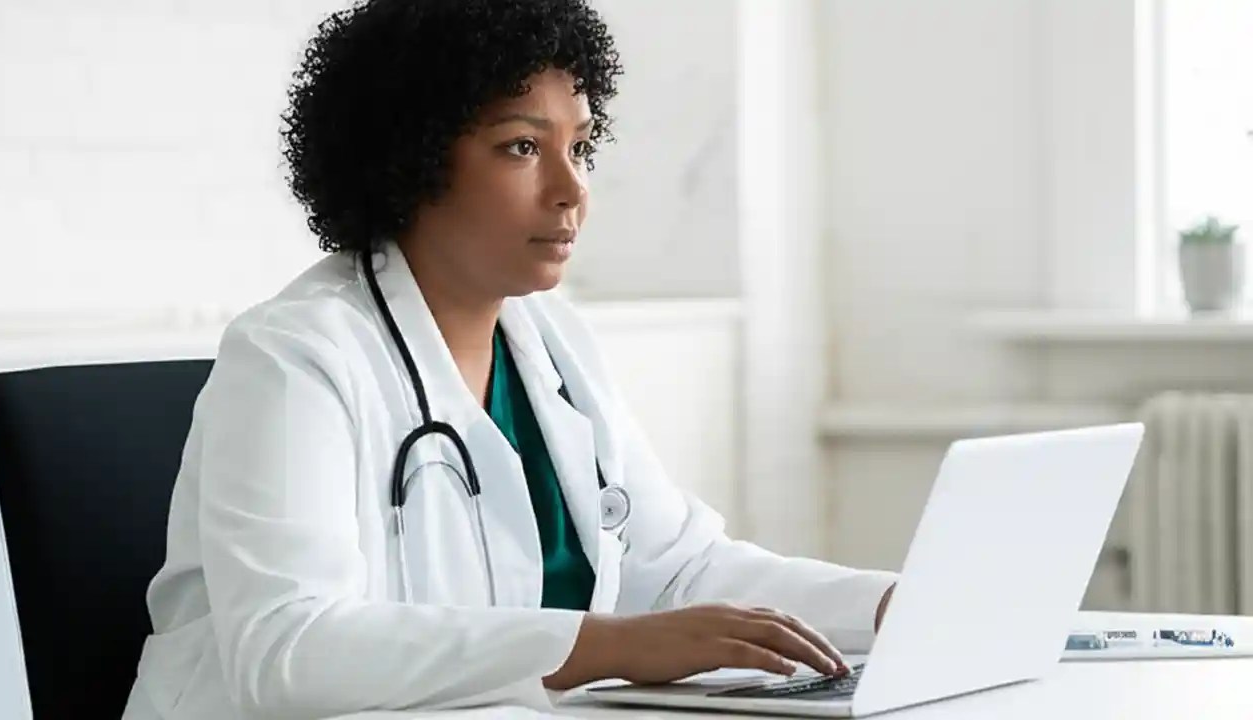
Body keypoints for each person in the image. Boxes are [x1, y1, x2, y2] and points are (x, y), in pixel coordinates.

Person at [122, 0, 899, 717]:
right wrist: (609, 645)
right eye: (522, 146)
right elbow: (289, 649)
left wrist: (894, 604)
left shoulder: (553, 343)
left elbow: (681, 569)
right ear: (411, 159)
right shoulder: (296, 357)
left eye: (580, 146)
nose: (572, 190)